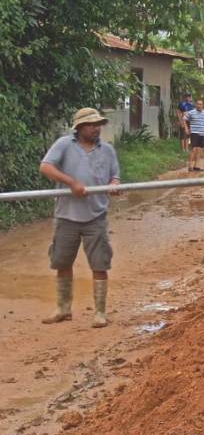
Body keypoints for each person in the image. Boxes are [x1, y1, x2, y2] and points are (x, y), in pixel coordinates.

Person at [37, 108, 122, 328]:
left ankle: (100, 313)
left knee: (99, 263)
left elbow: (115, 176)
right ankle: (63, 309)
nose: (96, 128)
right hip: (67, 216)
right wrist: (71, 182)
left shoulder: (108, 150)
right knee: (62, 262)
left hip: (96, 215)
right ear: (80, 127)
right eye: (92, 124)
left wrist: (114, 185)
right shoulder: (64, 144)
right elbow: (45, 167)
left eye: (98, 124)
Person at [184, 99, 204, 172]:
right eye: (198, 104)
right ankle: (190, 166)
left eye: (201, 104)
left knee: (199, 150)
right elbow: (184, 119)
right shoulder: (191, 112)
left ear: (203, 105)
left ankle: (196, 166)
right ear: (196, 105)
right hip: (193, 133)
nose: (199, 106)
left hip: (201, 133)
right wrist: (186, 128)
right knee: (193, 149)